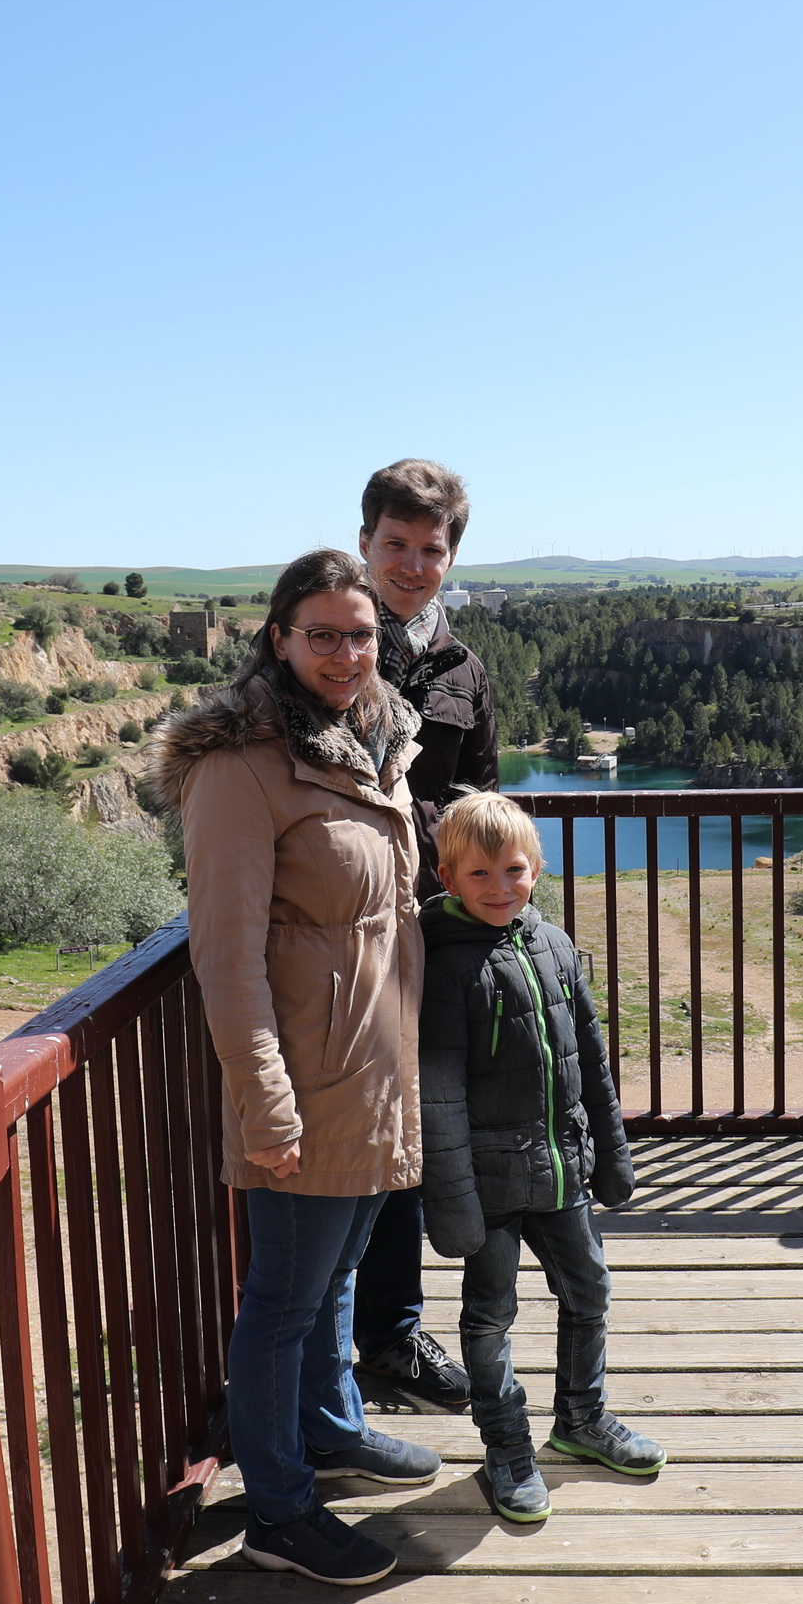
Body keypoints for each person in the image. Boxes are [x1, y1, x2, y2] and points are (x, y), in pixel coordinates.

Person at [148, 546, 443, 1585]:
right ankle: (278, 1503)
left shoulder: (371, 742)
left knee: (339, 1274)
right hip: (306, 1084)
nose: (344, 651)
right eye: (321, 633)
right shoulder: (242, 769)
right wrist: (266, 1102)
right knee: (281, 1298)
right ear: (279, 637)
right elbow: (225, 955)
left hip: (375, 1062)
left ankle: (331, 1426)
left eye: (360, 633)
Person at [417, 790, 665, 1523]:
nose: (500, 889)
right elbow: (440, 1096)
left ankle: (581, 1420)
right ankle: (506, 1449)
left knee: (590, 1291)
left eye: (513, 871)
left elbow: (591, 1058)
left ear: (537, 869)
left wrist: (612, 1155)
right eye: (479, 876)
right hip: (489, 1185)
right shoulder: (441, 965)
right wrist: (453, 1200)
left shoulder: (552, 943)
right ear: (446, 877)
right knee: (490, 1318)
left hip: (562, 1169)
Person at [347, 459, 499, 1416]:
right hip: (336, 936)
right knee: (340, 1139)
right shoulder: (329, 642)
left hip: (429, 931)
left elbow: (485, 801)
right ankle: (341, 1347)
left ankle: (393, 1335)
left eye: (429, 550)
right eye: (394, 545)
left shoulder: (462, 669)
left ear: (451, 558)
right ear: (364, 542)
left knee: (411, 1131)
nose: (410, 564)